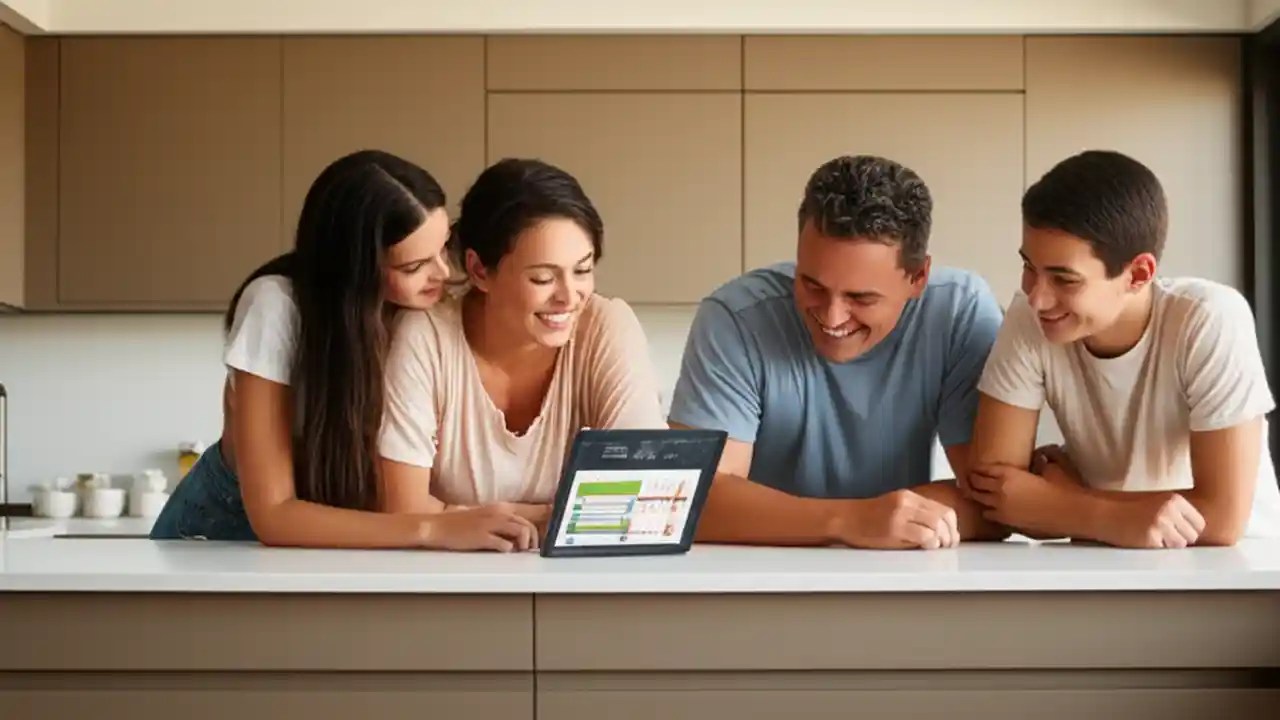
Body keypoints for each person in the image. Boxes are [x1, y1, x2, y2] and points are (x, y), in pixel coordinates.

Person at [149, 150, 539, 551]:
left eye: (443, 248)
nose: (442, 272)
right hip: (220, 535)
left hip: (341, 540)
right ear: (356, 269)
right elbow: (275, 514)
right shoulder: (277, 307)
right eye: (413, 267)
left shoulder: (418, 313)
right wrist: (433, 528)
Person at [667, 154, 1008, 550]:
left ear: (918, 278)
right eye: (812, 284)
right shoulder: (734, 318)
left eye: (861, 297)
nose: (831, 316)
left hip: (902, 574)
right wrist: (851, 520)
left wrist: (874, 521)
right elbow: (690, 500)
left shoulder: (959, 312)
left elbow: (994, 504)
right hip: (759, 573)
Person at [966, 149, 1280, 548]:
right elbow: (996, 493)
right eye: (1029, 267)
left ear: (1138, 274)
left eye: (1064, 279)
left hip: (1238, 569)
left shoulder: (1208, 318)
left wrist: (1064, 505)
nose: (1038, 297)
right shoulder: (1030, 318)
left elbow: (1221, 519)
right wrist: (1108, 518)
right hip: (1106, 558)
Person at [377, 157, 666, 529]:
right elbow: (403, 507)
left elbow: (647, 494)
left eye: (582, 270)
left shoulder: (606, 325)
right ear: (480, 270)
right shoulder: (427, 335)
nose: (569, 297)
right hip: (447, 575)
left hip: (580, 578)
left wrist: (457, 517)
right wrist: (556, 517)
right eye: (543, 278)